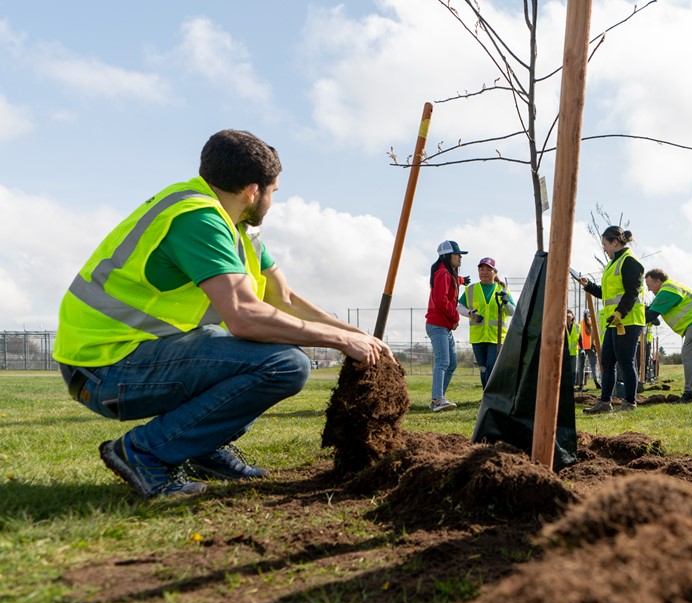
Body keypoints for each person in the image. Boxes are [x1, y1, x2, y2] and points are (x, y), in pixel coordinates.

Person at [52, 129, 394, 498]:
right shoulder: (197, 219)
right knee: (285, 364)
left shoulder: (237, 229)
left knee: (264, 354)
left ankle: (200, 447)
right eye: (274, 192)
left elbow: (286, 298)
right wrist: (339, 341)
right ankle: (143, 451)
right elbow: (245, 318)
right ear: (253, 190)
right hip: (102, 368)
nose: (272, 201)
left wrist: (357, 336)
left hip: (134, 355)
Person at [578, 226, 646, 413]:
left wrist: (619, 314)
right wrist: (589, 286)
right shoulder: (612, 264)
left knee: (625, 361)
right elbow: (607, 294)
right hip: (615, 321)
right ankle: (604, 402)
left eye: (604, 245)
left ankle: (629, 403)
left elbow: (632, 292)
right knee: (607, 361)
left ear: (614, 242)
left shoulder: (631, 262)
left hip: (628, 320)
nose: (604, 249)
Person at [643, 269, 692, 403]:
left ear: (658, 281)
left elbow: (649, 316)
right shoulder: (671, 287)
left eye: (649, 285)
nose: (648, 289)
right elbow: (653, 315)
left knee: (689, 357)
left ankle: (690, 394)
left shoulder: (667, 291)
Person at [458, 256, 516, 388]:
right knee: (483, 368)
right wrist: (470, 314)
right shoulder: (471, 289)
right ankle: (487, 394)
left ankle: (489, 396)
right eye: (481, 269)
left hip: (496, 338)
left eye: (488, 269)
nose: (484, 272)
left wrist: (506, 301)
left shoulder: (503, 290)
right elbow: (460, 307)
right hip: (478, 337)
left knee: (491, 367)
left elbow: (512, 312)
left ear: (494, 272)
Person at [426, 240, 470, 412]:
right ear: (446, 256)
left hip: (444, 326)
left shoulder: (447, 273)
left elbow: (451, 281)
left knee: (451, 363)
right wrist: (455, 317)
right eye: (457, 254)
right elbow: (441, 299)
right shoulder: (443, 273)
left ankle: (438, 399)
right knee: (443, 361)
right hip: (438, 324)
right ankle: (437, 400)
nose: (460, 257)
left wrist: (461, 280)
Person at [576, 311, 599, 391]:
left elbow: (577, 336)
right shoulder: (593, 324)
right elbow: (595, 336)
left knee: (581, 366)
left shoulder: (580, 324)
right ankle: (596, 381)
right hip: (591, 347)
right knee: (593, 365)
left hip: (582, 348)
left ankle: (581, 384)